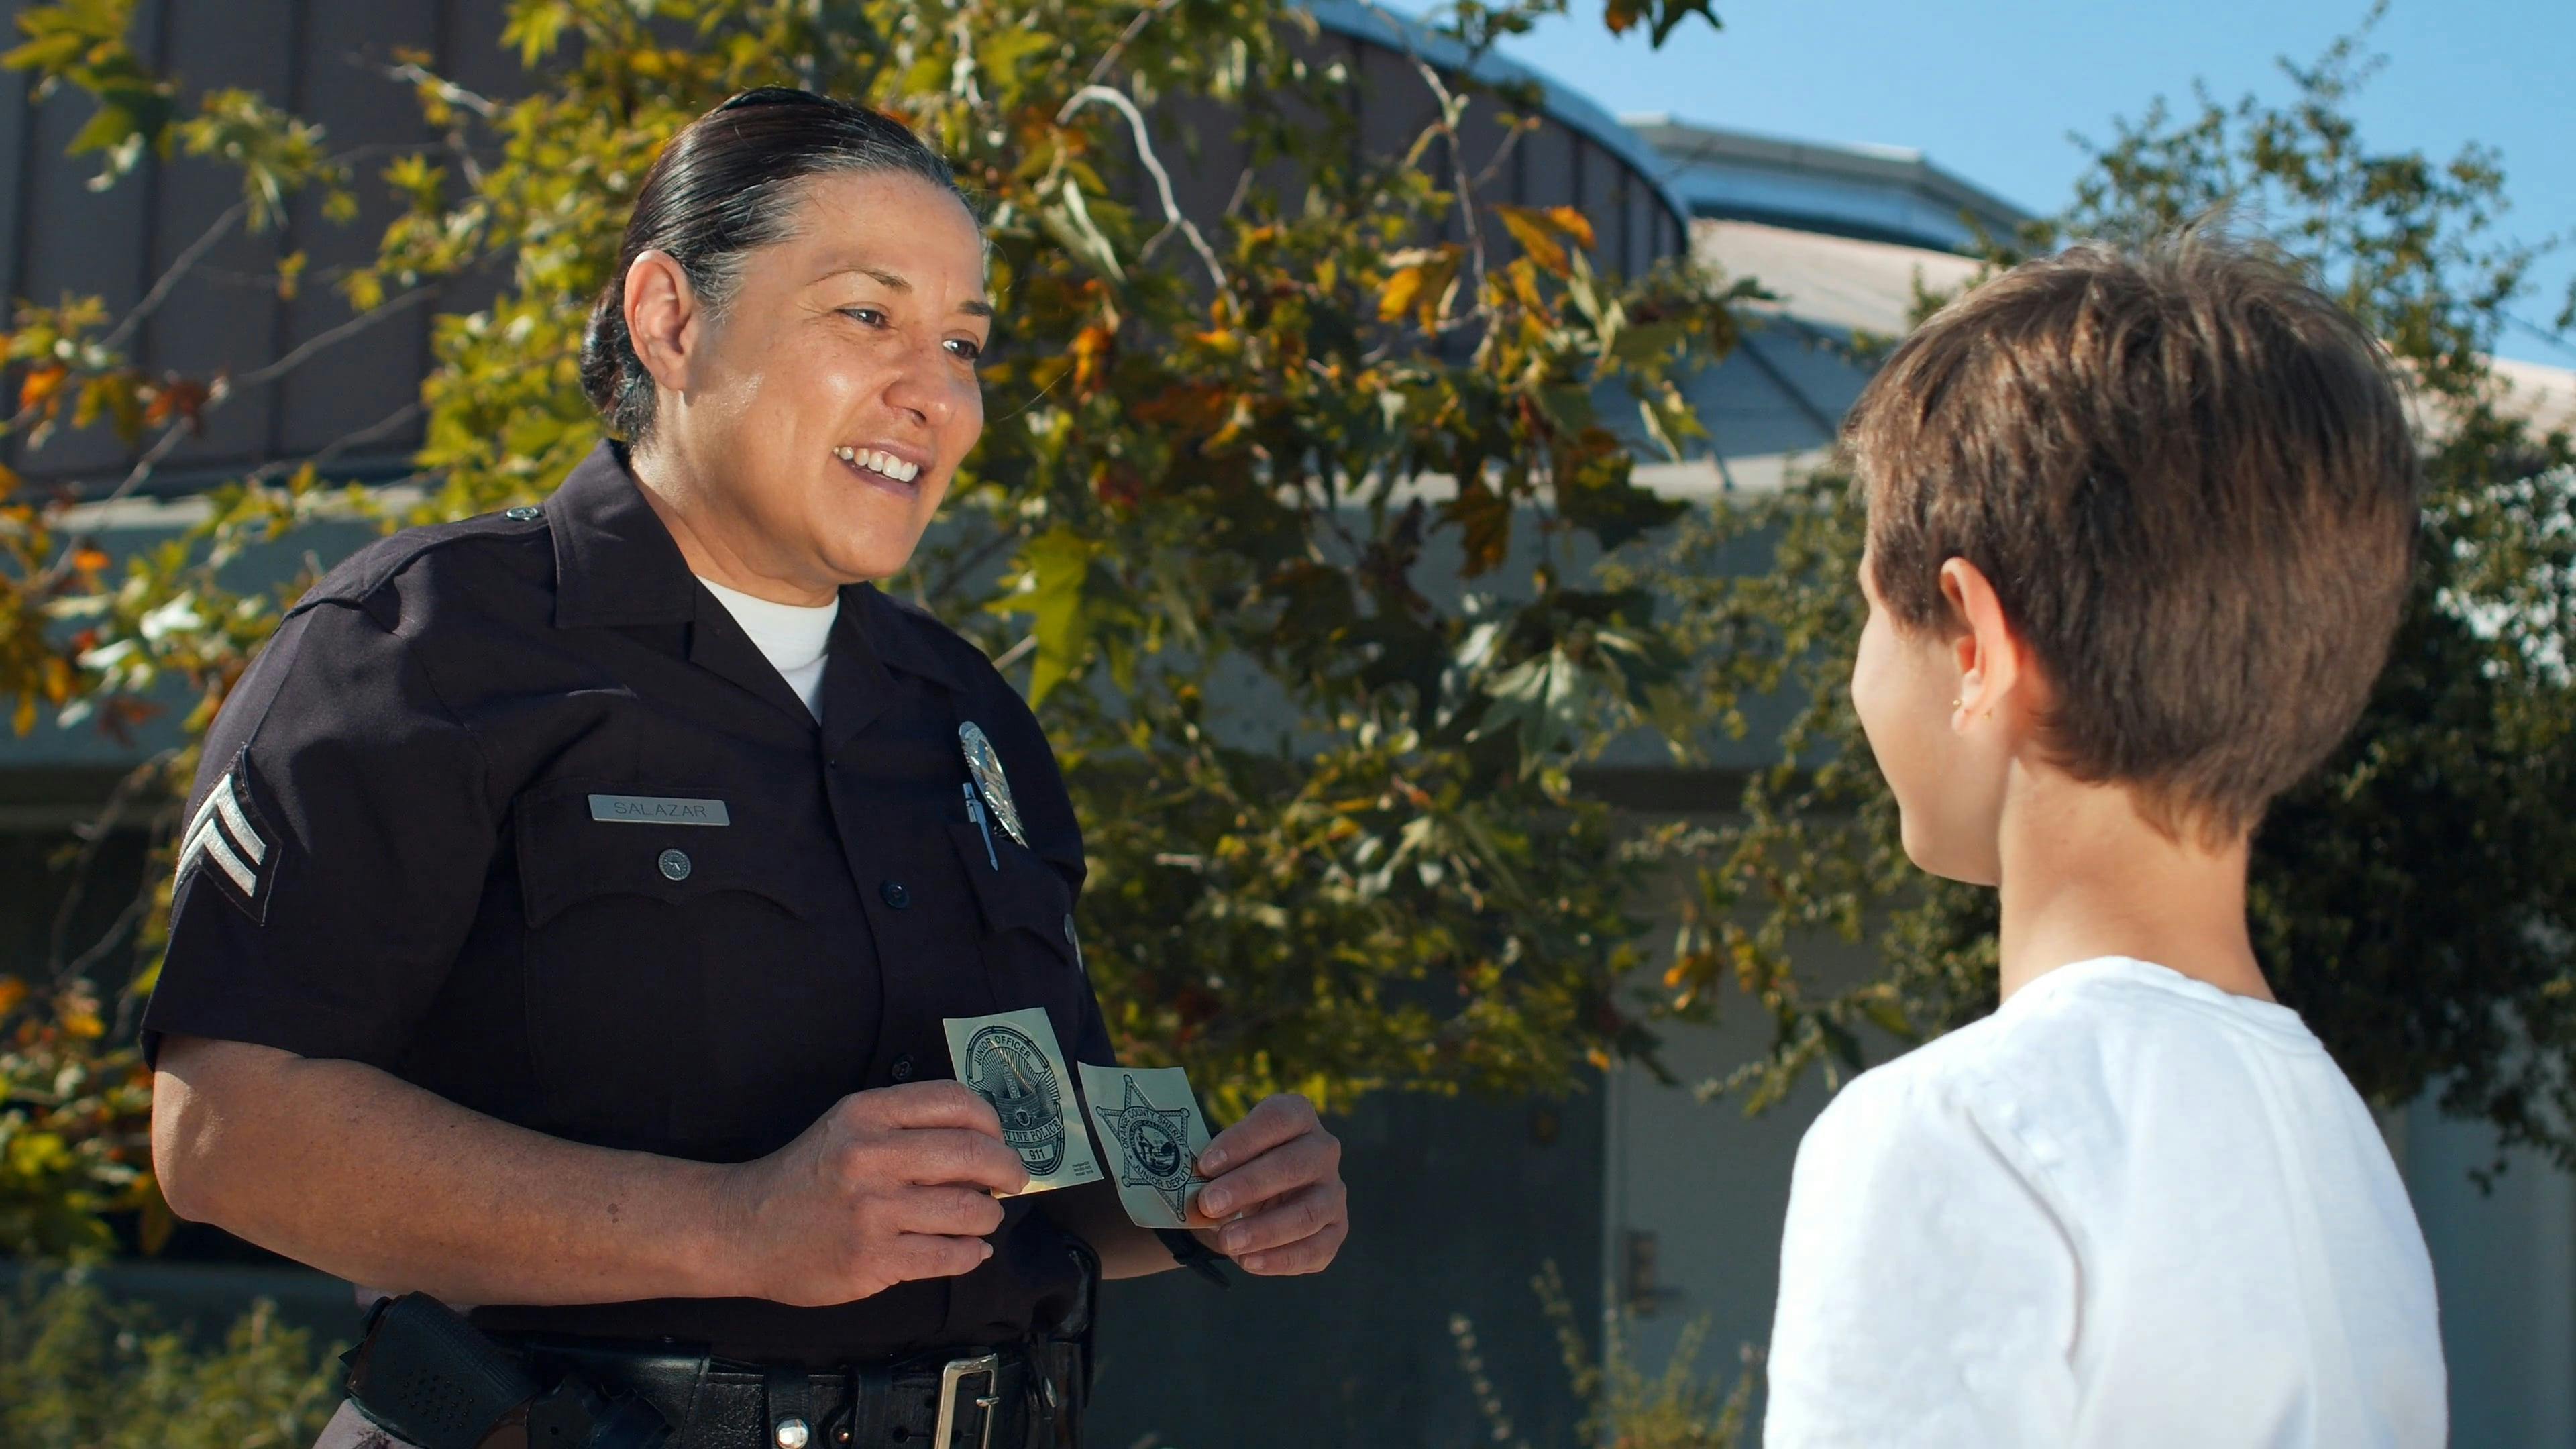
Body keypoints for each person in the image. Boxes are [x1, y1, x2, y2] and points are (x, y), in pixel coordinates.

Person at [144, 87, 1349, 1449]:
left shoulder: (966, 716)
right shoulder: (421, 647)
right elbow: (225, 1134)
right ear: (670, 318)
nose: (937, 391)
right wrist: (737, 1228)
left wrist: (1198, 1198)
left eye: (964, 341)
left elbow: (1029, 1165)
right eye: (867, 314)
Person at [1761, 233, 2446, 1447]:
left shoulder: (1955, 1133)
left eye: (1869, 610)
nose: (1861, 666)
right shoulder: (2337, 1148)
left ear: (1974, 643)